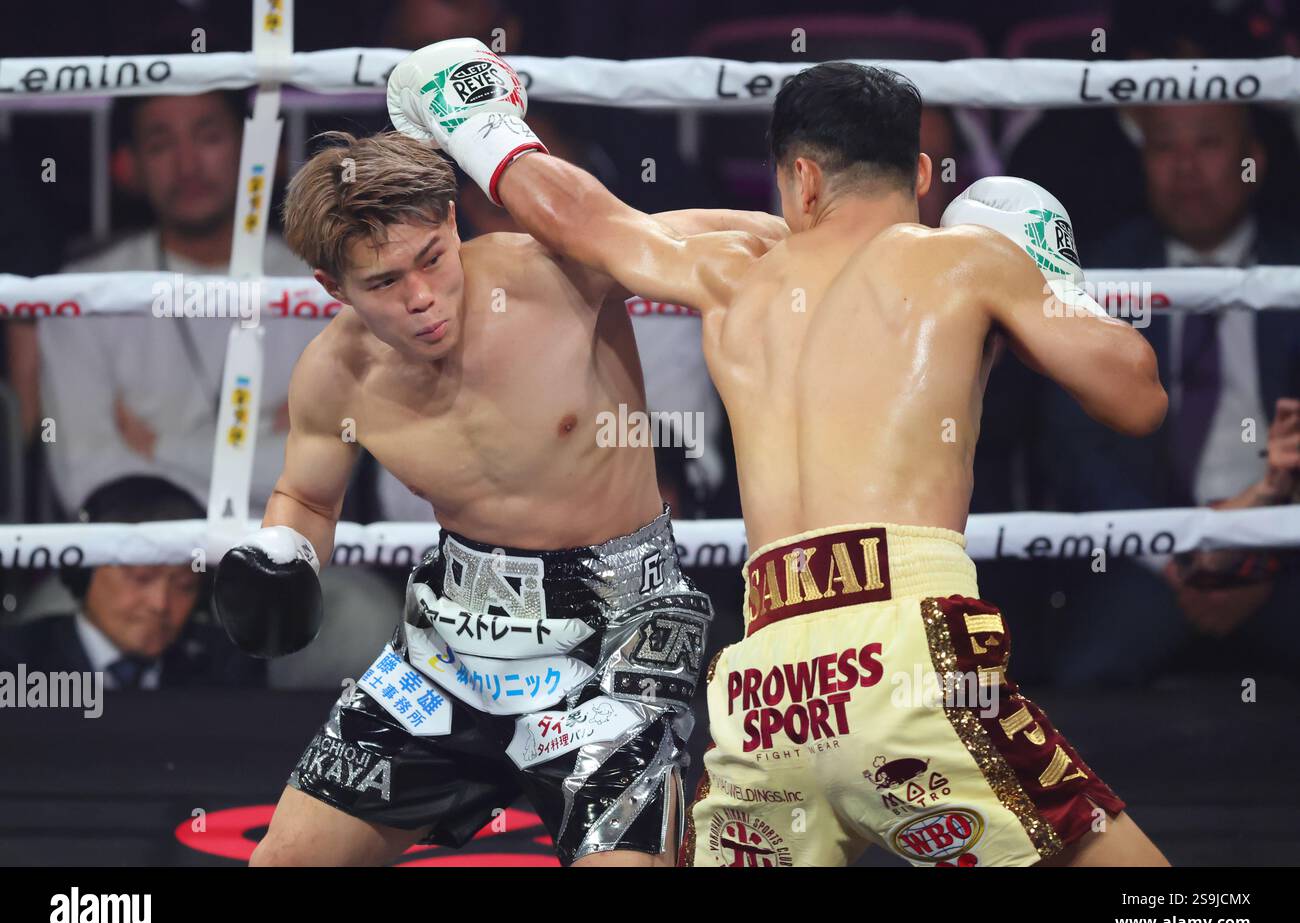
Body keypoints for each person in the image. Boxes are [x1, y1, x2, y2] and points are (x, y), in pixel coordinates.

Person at [390, 42, 1170, 865]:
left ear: (800, 179)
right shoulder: (967, 259)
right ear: (923, 173)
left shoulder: (733, 273)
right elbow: (1139, 398)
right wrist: (1047, 284)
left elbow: (586, 221)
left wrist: (477, 121)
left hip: (764, 686)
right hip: (907, 649)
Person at [213, 126, 785, 867]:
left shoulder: (558, 271)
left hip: (621, 629)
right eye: (385, 284)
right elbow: (308, 498)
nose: (422, 298)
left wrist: (921, 252)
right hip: (451, 638)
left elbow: (756, 236)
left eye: (431, 260)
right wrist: (283, 552)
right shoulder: (334, 375)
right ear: (334, 288)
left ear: (452, 222)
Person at [1039, 101, 1300, 687]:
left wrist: (1263, 552)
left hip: (1285, 551)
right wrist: (1176, 556)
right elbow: (1072, 444)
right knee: (1080, 681)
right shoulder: (1100, 273)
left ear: (1252, 160)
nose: (1185, 168)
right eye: (1164, 148)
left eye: (1207, 144)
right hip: (1149, 557)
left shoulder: (1295, 268)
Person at [38, 92, 316, 516]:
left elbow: (322, 473)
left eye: (208, 136)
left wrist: (160, 449)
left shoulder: (321, 283)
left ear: (257, 151)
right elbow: (87, 477)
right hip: (136, 563)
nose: (187, 165)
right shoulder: (82, 292)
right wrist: (264, 448)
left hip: (293, 551)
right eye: (160, 144)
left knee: (356, 588)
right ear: (128, 167)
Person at [0, 475, 264, 690]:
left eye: (185, 585)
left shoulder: (226, 666)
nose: (160, 603)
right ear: (82, 572)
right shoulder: (15, 664)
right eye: (141, 578)